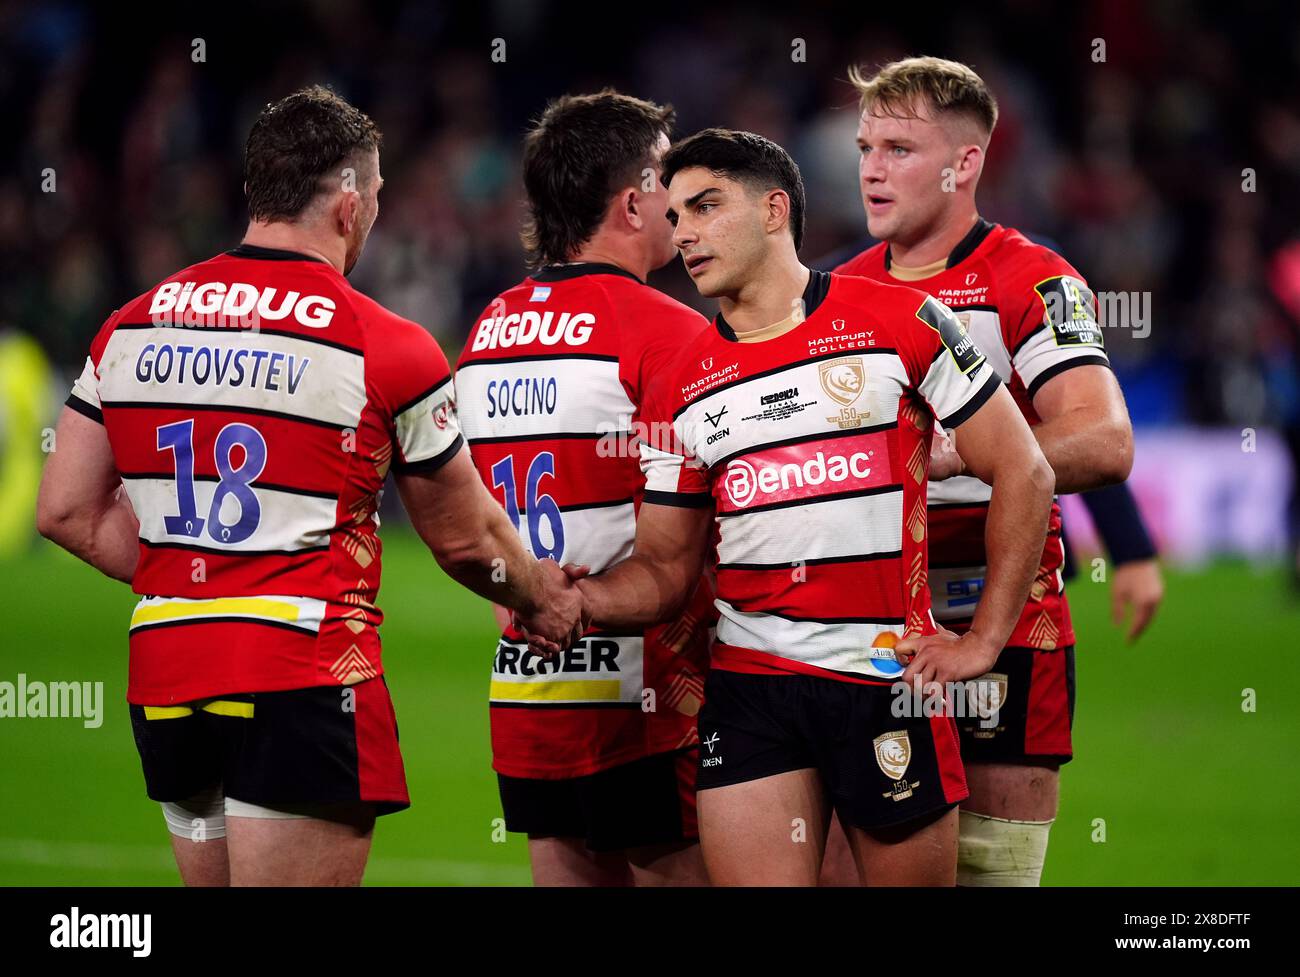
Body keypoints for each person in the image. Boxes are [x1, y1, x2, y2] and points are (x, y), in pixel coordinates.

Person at [35, 86, 581, 887]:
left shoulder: (132, 322)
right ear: (350, 201)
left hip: (168, 674)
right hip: (300, 671)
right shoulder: (386, 344)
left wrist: (199, 580)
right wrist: (546, 598)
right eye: (379, 196)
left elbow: (64, 508)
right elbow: (466, 540)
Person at [521, 128, 1055, 885]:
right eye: (673, 217)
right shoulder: (681, 379)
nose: (685, 234)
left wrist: (984, 639)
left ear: (775, 210)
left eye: (705, 207)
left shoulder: (907, 320)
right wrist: (583, 600)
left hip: (883, 682)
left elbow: (1023, 469)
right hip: (751, 690)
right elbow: (667, 567)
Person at [826, 56, 1136, 885]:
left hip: (1005, 622)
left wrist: (963, 450)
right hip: (868, 631)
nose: (870, 167)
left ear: (966, 164)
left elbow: (1105, 439)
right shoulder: (835, 294)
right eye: (865, 146)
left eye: (897, 147)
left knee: (990, 873)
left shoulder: (1031, 278)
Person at [455, 91, 713, 885]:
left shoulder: (487, 330)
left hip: (532, 686)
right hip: (651, 691)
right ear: (635, 201)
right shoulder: (669, 330)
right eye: (669, 180)